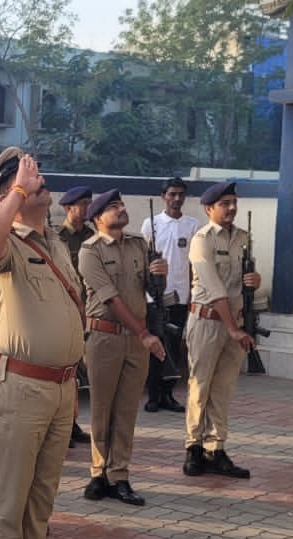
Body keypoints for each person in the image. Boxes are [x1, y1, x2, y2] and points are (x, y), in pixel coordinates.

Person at [0, 148, 82, 539]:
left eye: (36, 176)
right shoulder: (7, 245)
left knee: (39, 505)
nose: (39, 181)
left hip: (61, 389)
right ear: (8, 196)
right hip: (20, 387)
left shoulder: (56, 245)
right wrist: (17, 189)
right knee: (10, 502)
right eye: (26, 180)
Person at [79, 190, 168, 507]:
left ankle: (119, 475)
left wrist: (161, 276)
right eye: (112, 207)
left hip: (136, 338)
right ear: (97, 218)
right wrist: (144, 334)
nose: (120, 210)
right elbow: (111, 299)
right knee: (102, 408)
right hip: (105, 337)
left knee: (127, 409)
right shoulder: (89, 251)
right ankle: (97, 473)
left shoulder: (138, 245)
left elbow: (150, 291)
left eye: (120, 205)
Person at [182, 181, 260, 479]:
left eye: (233, 202)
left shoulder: (243, 237)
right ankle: (193, 447)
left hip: (235, 322)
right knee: (199, 386)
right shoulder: (202, 239)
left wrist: (255, 279)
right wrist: (233, 329)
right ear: (209, 208)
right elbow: (214, 289)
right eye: (224, 203)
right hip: (208, 322)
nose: (231, 207)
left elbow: (243, 281)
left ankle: (216, 448)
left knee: (224, 387)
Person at [140, 177, 199, 413]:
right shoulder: (151, 224)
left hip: (181, 296)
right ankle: (153, 395)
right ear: (164, 196)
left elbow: (194, 263)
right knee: (156, 346)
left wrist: (194, 293)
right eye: (172, 194)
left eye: (180, 194)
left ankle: (169, 394)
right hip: (156, 297)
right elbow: (143, 261)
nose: (176, 199)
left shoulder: (192, 225)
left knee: (174, 345)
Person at [56, 185, 94, 448]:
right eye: (84, 204)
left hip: (89, 309)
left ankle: (71, 423)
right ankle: (61, 426)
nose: (89, 208)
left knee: (77, 374)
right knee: (63, 371)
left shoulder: (92, 236)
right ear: (70, 208)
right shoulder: (57, 238)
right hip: (64, 310)